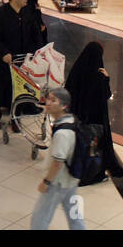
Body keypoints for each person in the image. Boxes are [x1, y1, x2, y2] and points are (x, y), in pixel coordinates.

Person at [0, 0, 45, 129]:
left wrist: (36, 52)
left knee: (18, 90)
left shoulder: (27, 13)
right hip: (2, 60)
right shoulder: (0, 14)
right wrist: (4, 53)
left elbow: (36, 34)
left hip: (22, 60)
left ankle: (16, 117)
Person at [64, 41, 123, 180]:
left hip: (77, 116)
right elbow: (106, 95)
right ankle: (93, 172)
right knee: (95, 147)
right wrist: (106, 79)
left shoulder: (76, 70)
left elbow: (68, 90)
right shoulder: (99, 76)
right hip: (95, 119)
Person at [30, 88, 87, 230]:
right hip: (71, 178)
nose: (48, 103)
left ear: (64, 106)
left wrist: (46, 181)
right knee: (75, 217)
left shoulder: (62, 133)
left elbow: (58, 162)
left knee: (40, 218)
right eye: (48, 98)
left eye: (53, 100)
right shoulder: (72, 120)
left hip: (57, 182)